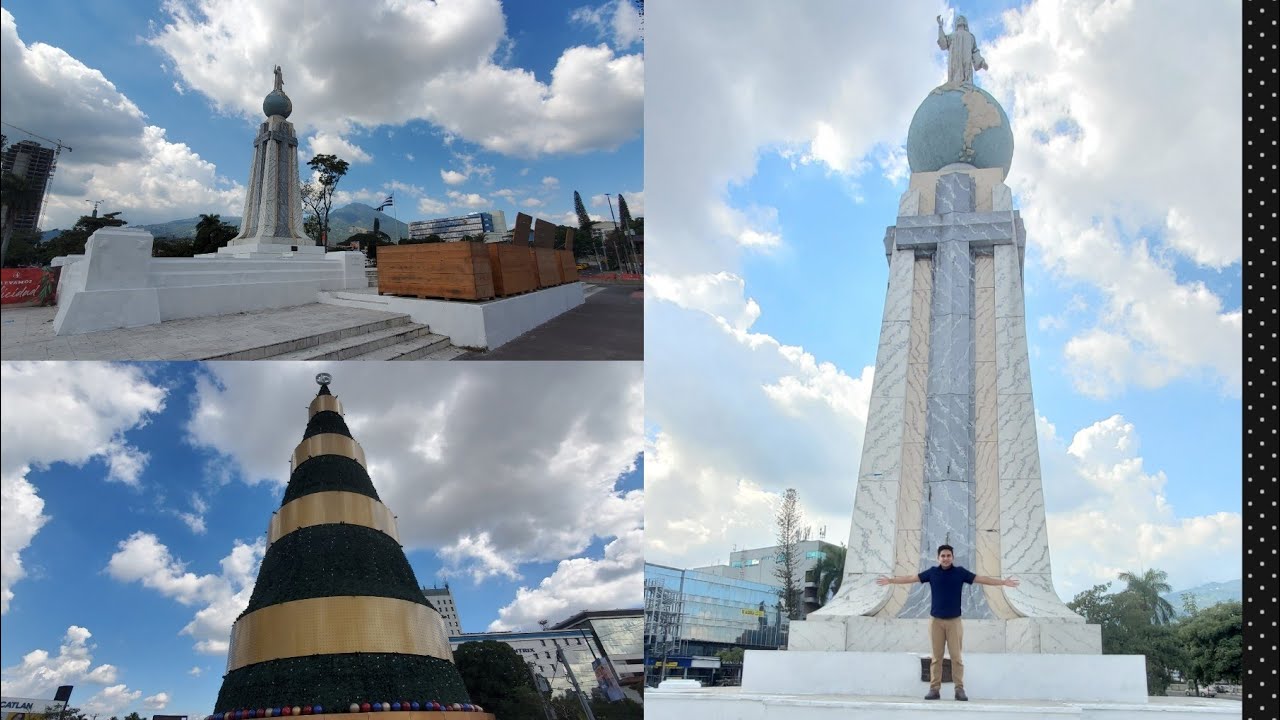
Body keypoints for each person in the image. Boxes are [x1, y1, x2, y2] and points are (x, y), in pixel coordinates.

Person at [876, 544, 1019, 701]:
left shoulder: (960, 572)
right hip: (935, 622)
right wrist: (890, 580)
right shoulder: (932, 573)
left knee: (956, 657)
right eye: (943, 556)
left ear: (953, 557)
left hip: (954, 622)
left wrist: (1003, 582)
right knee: (936, 658)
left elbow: (982, 579)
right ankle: (934, 689)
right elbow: (911, 578)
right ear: (938, 558)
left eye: (948, 555)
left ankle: (959, 690)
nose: (945, 558)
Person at [937, 15, 988, 85]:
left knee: (966, 75)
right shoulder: (952, 36)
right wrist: (940, 27)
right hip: (954, 61)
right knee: (954, 78)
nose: (959, 19)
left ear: (965, 22)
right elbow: (943, 44)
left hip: (966, 62)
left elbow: (975, 51)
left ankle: (966, 84)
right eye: (958, 19)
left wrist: (981, 62)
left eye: (961, 18)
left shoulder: (970, 37)